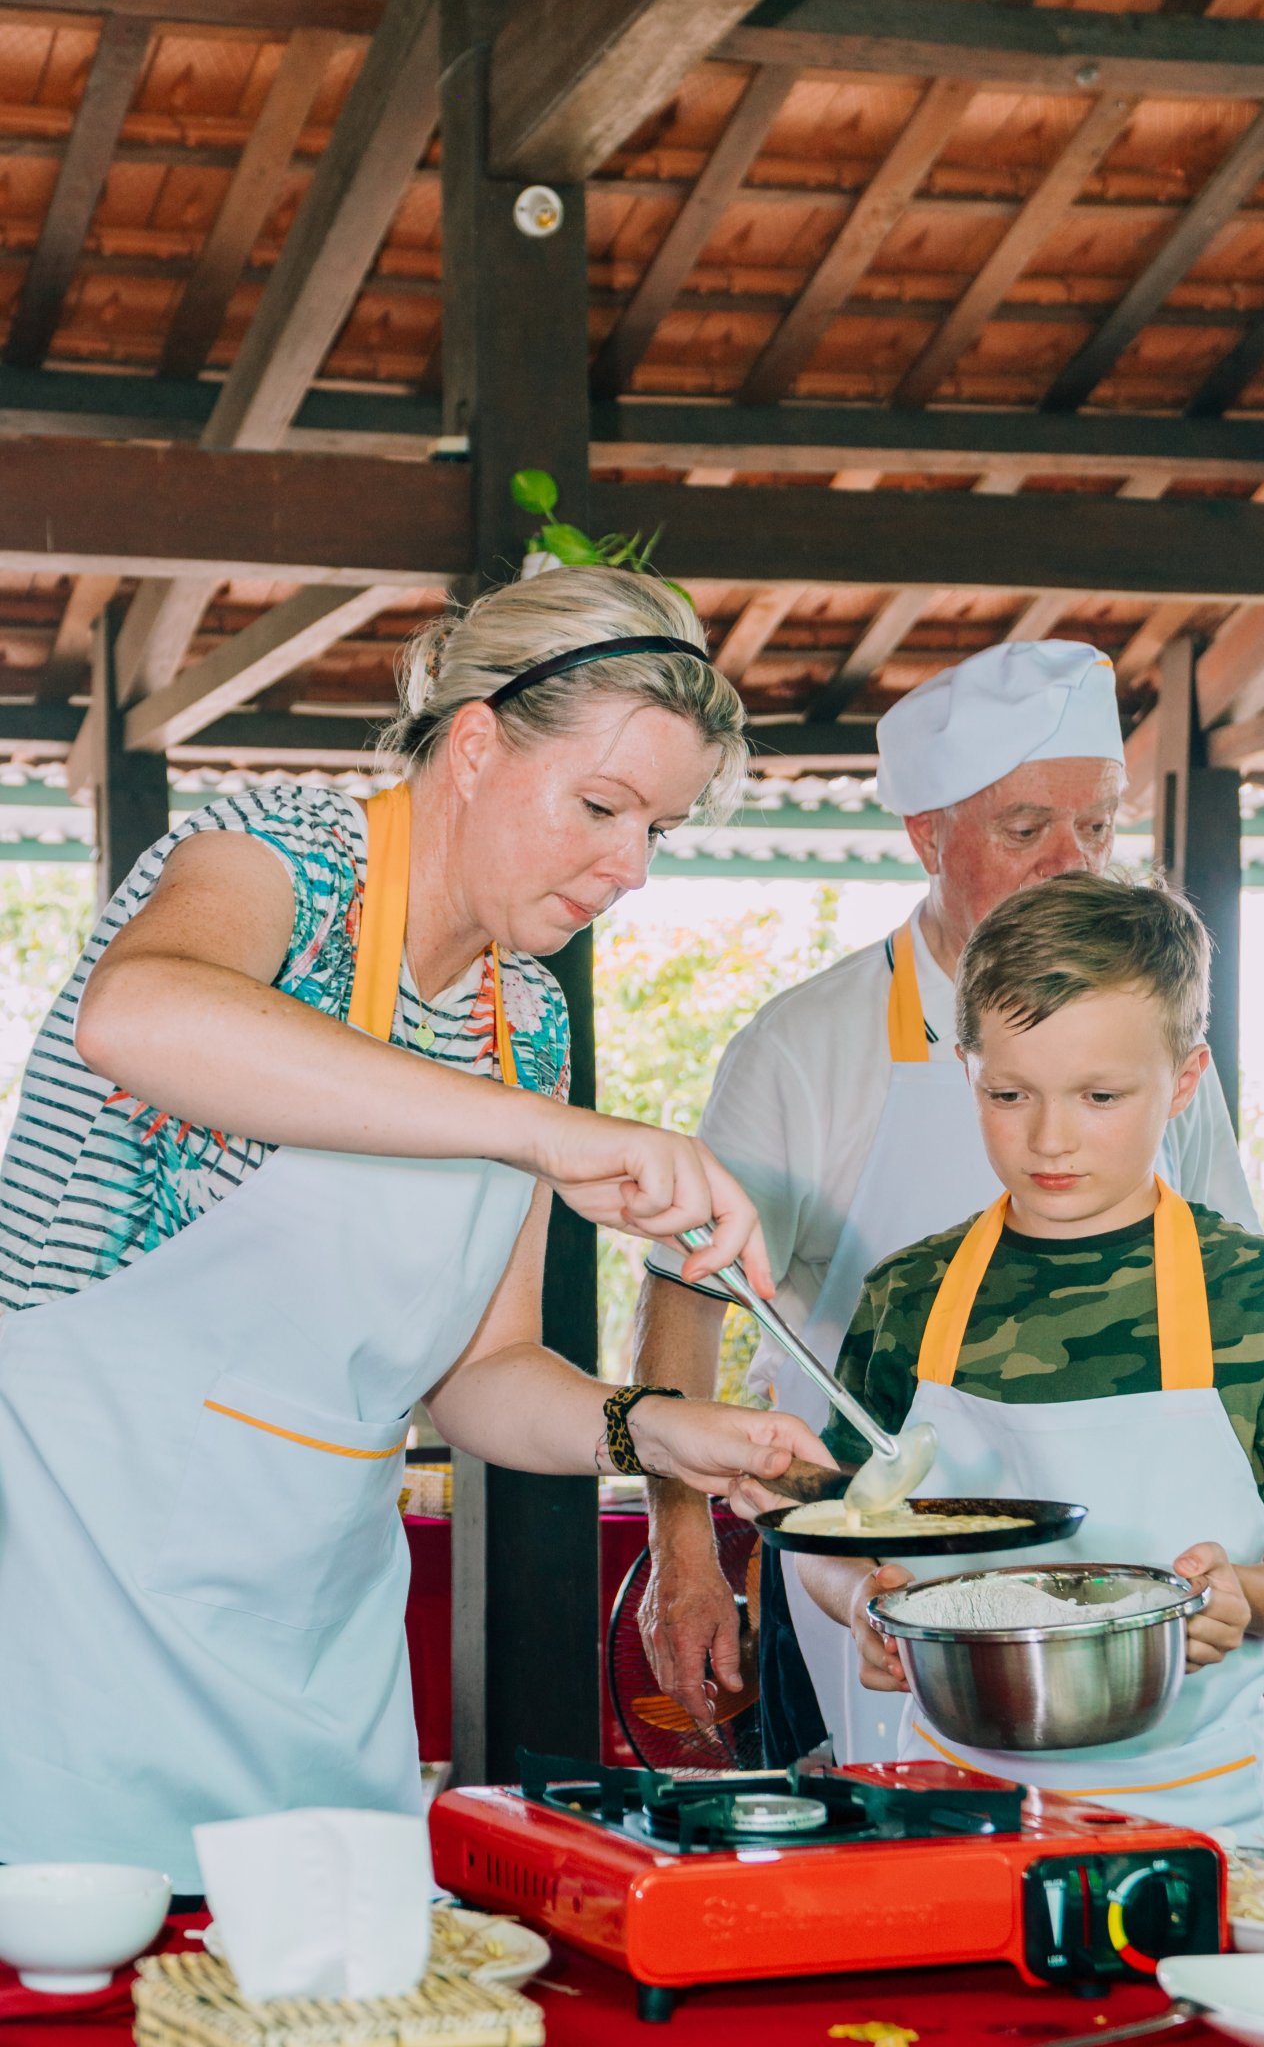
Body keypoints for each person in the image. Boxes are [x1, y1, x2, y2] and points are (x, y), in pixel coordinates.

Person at [0, 564, 831, 1894]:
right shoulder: (284, 856)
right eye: (601, 806)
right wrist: (543, 1134)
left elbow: (480, 1379)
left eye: (656, 831)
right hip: (64, 1612)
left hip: (311, 1647)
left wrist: (655, 1428)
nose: (627, 869)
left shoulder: (528, 1021)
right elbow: (142, 1016)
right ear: (477, 744)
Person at [634, 640, 1264, 1765]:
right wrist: (683, 1549)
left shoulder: (1165, 1042)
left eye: (1099, 827)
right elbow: (690, 1297)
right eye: (1027, 830)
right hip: (866, 1574)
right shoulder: (805, 1045)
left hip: (1148, 1583)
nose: (1075, 863)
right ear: (928, 836)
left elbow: (1237, 1297)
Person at [788, 873, 1264, 1840]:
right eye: (1009, 1094)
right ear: (966, 1068)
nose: (1049, 1138)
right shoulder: (910, 1297)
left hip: (1198, 1819)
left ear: (1184, 1081)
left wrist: (1250, 1596)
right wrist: (860, 1600)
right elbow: (837, 1533)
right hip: (954, 1810)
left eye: (1100, 1096)